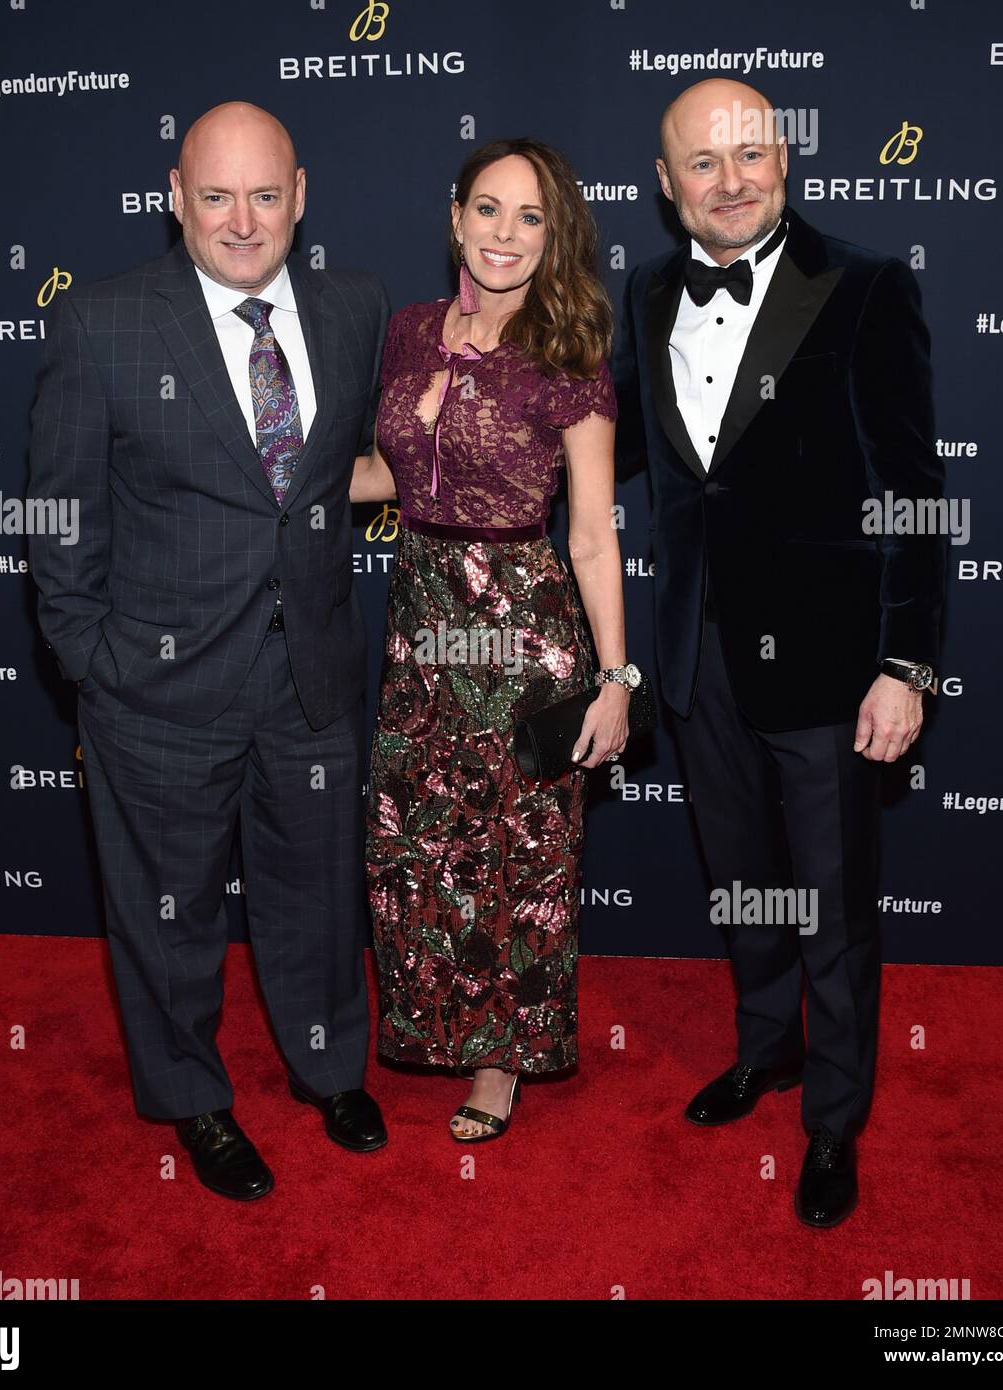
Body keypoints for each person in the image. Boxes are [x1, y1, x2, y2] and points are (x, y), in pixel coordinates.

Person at [27, 102, 390, 1201]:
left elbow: (342, 475)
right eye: (218, 195)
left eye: (266, 195)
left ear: (301, 196)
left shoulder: (355, 309)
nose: (243, 221)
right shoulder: (104, 324)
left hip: (312, 676)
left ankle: (328, 1068)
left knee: (318, 896)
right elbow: (59, 515)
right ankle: (192, 1095)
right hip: (157, 685)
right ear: (175, 195)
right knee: (167, 910)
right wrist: (93, 658)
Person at [612, 79, 946, 1226]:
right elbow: (604, 439)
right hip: (696, 655)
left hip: (827, 664)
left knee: (834, 904)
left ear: (787, 160)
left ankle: (835, 1118)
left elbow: (913, 491)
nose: (731, 180)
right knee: (743, 882)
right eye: (702, 163)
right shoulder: (648, 289)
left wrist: (906, 664)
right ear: (665, 186)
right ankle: (769, 1048)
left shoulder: (863, 286)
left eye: (750, 155)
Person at [352, 138, 639, 1140]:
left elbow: (594, 535)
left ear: (554, 236)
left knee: (519, 851)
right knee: (414, 843)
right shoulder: (408, 331)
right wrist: (271, 477)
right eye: (487, 208)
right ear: (455, 217)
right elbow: (398, 473)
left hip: (524, 637)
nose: (504, 234)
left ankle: (500, 1060)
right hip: (423, 628)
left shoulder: (569, 353)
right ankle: (433, 1023)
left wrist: (614, 678)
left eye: (530, 217)